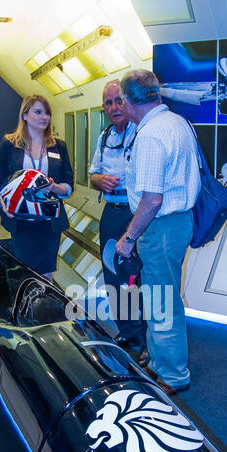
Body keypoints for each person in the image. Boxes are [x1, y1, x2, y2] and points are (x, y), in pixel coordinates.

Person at [115, 70, 200, 395]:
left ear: (126, 101)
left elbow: (151, 200)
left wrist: (128, 239)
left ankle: (173, 374)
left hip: (160, 226)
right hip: (178, 223)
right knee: (159, 297)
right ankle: (160, 362)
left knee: (162, 301)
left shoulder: (151, 135)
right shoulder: (177, 123)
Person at [89, 80, 148, 362]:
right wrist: (100, 180)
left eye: (117, 101)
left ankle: (148, 338)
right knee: (113, 275)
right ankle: (128, 332)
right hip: (111, 212)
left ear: (127, 102)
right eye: (108, 103)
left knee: (140, 276)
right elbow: (92, 175)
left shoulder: (144, 133)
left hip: (136, 212)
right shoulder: (103, 137)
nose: (113, 107)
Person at [0, 95, 73, 277]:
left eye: (47, 113)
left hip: (49, 224)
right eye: (38, 112)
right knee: (24, 275)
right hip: (21, 224)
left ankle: (46, 306)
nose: (44, 117)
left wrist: (55, 188)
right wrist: (2, 202)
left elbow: (69, 184)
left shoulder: (58, 146)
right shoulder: (9, 144)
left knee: (47, 277)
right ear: (25, 115)